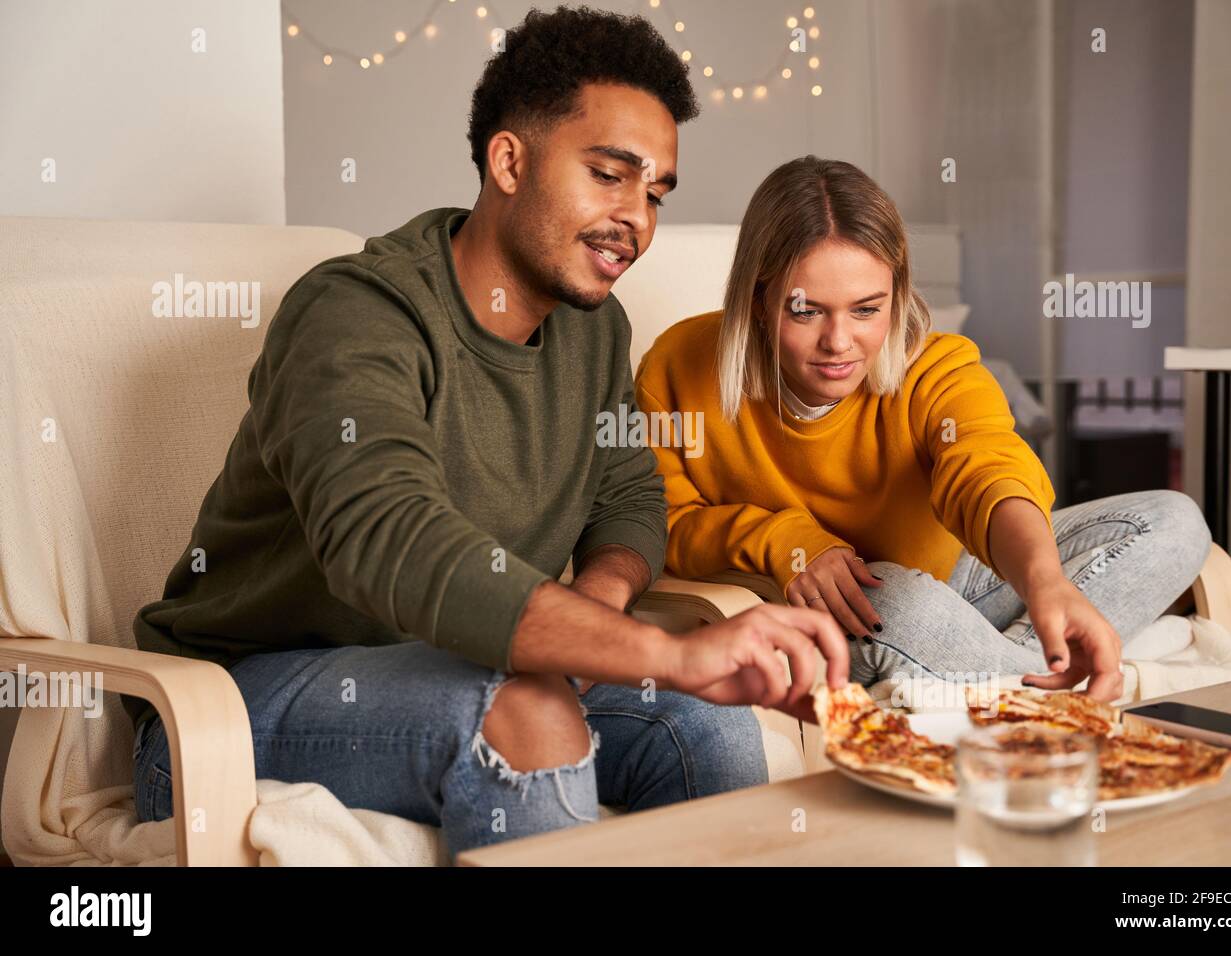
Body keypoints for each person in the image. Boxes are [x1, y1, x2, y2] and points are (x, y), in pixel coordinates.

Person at [126, 8, 848, 860]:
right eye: (610, 176)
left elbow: (628, 496)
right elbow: (388, 538)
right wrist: (665, 651)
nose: (638, 221)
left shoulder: (594, 329)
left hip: (480, 661)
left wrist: (602, 606)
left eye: (654, 193)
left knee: (709, 732)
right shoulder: (357, 311)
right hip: (236, 707)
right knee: (530, 714)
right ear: (509, 160)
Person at [634, 155, 1212, 702]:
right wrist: (787, 542)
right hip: (841, 611)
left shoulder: (936, 364)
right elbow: (660, 520)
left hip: (961, 576)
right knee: (906, 603)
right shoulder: (679, 365)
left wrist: (1044, 583)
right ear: (759, 299)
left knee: (1176, 521)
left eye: (867, 309)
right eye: (805, 310)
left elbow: (988, 466)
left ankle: (1001, 674)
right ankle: (1039, 696)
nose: (840, 342)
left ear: (897, 294)